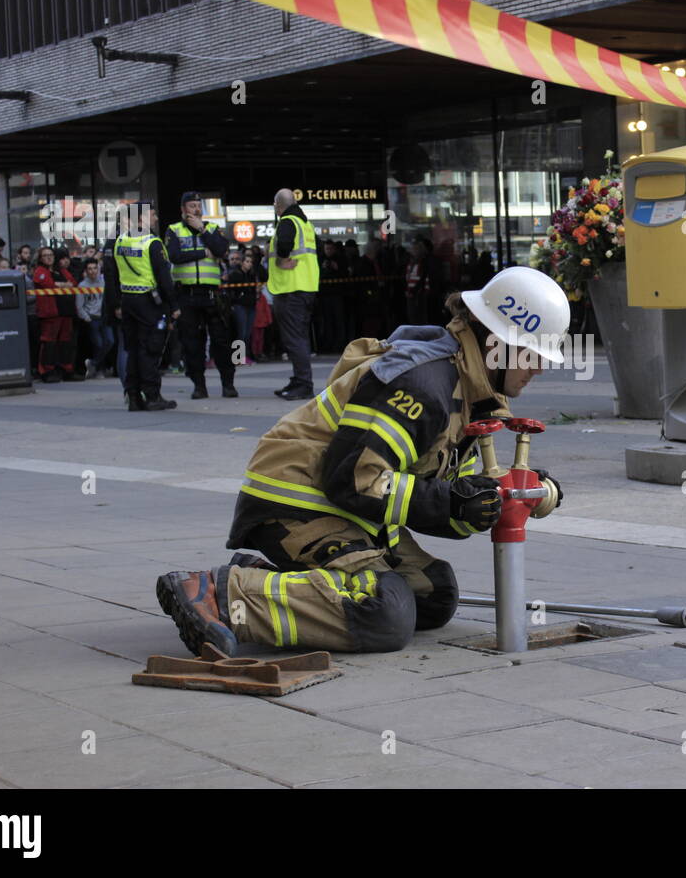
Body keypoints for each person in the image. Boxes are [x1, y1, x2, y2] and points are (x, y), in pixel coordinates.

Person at [155, 266, 570, 656]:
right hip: (298, 505)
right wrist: (451, 501)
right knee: (385, 614)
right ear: (497, 342)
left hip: (352, 514)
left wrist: (482, 502)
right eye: (533, 354)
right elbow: (353, 480)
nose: (540, 369)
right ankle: (218, 593)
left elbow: (436, 498)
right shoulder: (423, 386)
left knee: (432, 595)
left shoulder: (472, 396)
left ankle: (274, 580)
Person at [103, 203, 179, 411]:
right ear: (140, 219)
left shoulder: (120, 242)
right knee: (150, 349)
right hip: (150, 303)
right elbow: (164, 278)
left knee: (133, 349)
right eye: (151, 216)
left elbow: (113, 275)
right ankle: (153, 396)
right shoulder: (152, 243)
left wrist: (116, 302)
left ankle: (134, 397)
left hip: (128, 302)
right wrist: (173, 305)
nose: (155, 219)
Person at [165, 191, 237, 400]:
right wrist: (203, 252)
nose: (196, 209)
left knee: (222, 340)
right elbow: (175, 256)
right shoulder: (174, 230)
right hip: (187, 296)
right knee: (192, 343)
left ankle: (228, 383)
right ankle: (199, 385)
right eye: (191, 206)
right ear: (183, 209)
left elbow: (222, 249)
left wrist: (202, 230)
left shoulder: (212, 229)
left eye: (198, 205)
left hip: (212, 295)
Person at [267, 188, 318, 401]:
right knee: (300, 337)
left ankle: (304, 384)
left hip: (290, 289)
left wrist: (281, 258)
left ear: (279, 205)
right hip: (305, 287)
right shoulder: (305, 223)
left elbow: (285, 245)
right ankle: (299, 380)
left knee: (294, 339)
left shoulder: (287, 221)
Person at [32, 246, 81, 383]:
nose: (49, 257)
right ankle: (47, 370)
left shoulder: (61, 270)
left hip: (65, 311)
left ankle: (66, 369)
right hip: (51, 312)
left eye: (51, 255)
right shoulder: (40, 271)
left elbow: (73, 283)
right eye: (45, 255)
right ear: (40, 258)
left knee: (66, 342)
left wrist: (60, 284)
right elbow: (50, 285)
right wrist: (62, 285)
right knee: (49, 342)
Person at [75, 259, 114, 379]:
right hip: (92, 318)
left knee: (110, 341)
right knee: (98, 344)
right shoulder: (82, 286)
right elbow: (79, 306)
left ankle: (93, 364)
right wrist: (87, 318)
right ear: (86, 271)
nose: (92, 271)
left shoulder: (103, 282)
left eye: (95, 268)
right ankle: (98, 369)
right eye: (90, 269)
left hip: (104, 317)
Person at [223, 247, 258, 365]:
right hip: (239, 305)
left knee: (247, 333)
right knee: (240, 332)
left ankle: (244, 356)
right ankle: (237, 357)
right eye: (246, 262)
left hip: (250, 305)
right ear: (242, 262)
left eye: (250, 262)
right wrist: (234, 302)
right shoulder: (235, 275)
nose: (249, 264)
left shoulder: (251, 275)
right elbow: (231, 291)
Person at [404, 235, 441, 325]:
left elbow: (424, 278)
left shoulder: (426, 261)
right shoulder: (412, 262)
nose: (412, 250)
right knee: (414, 318)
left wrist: (414, 290)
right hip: (413, 294)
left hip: (421, 296)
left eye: (416, 248)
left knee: (421, 319)